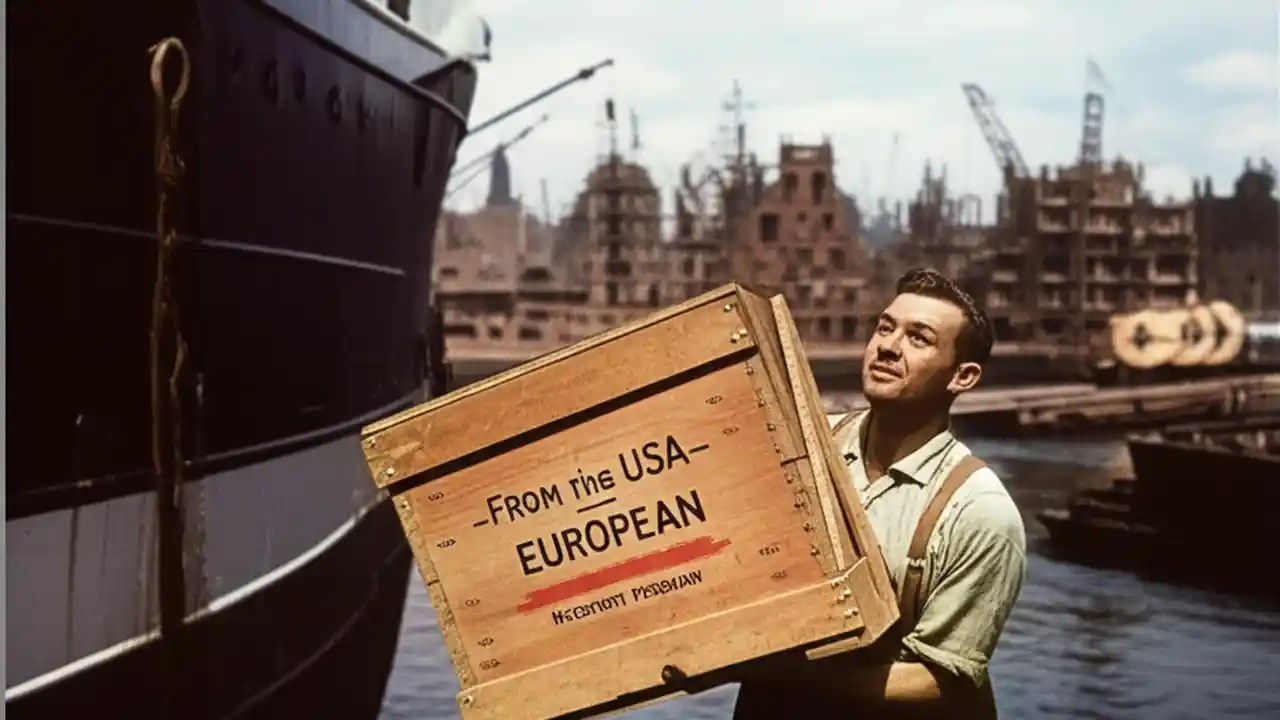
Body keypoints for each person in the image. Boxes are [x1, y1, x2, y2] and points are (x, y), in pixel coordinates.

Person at [733, 268, 1027, 719]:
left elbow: (939, 680)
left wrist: (780, 672)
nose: (887, 346)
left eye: (918, 338)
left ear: (963, 376)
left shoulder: (979, 512)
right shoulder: (802, 445)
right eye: (885, 328)